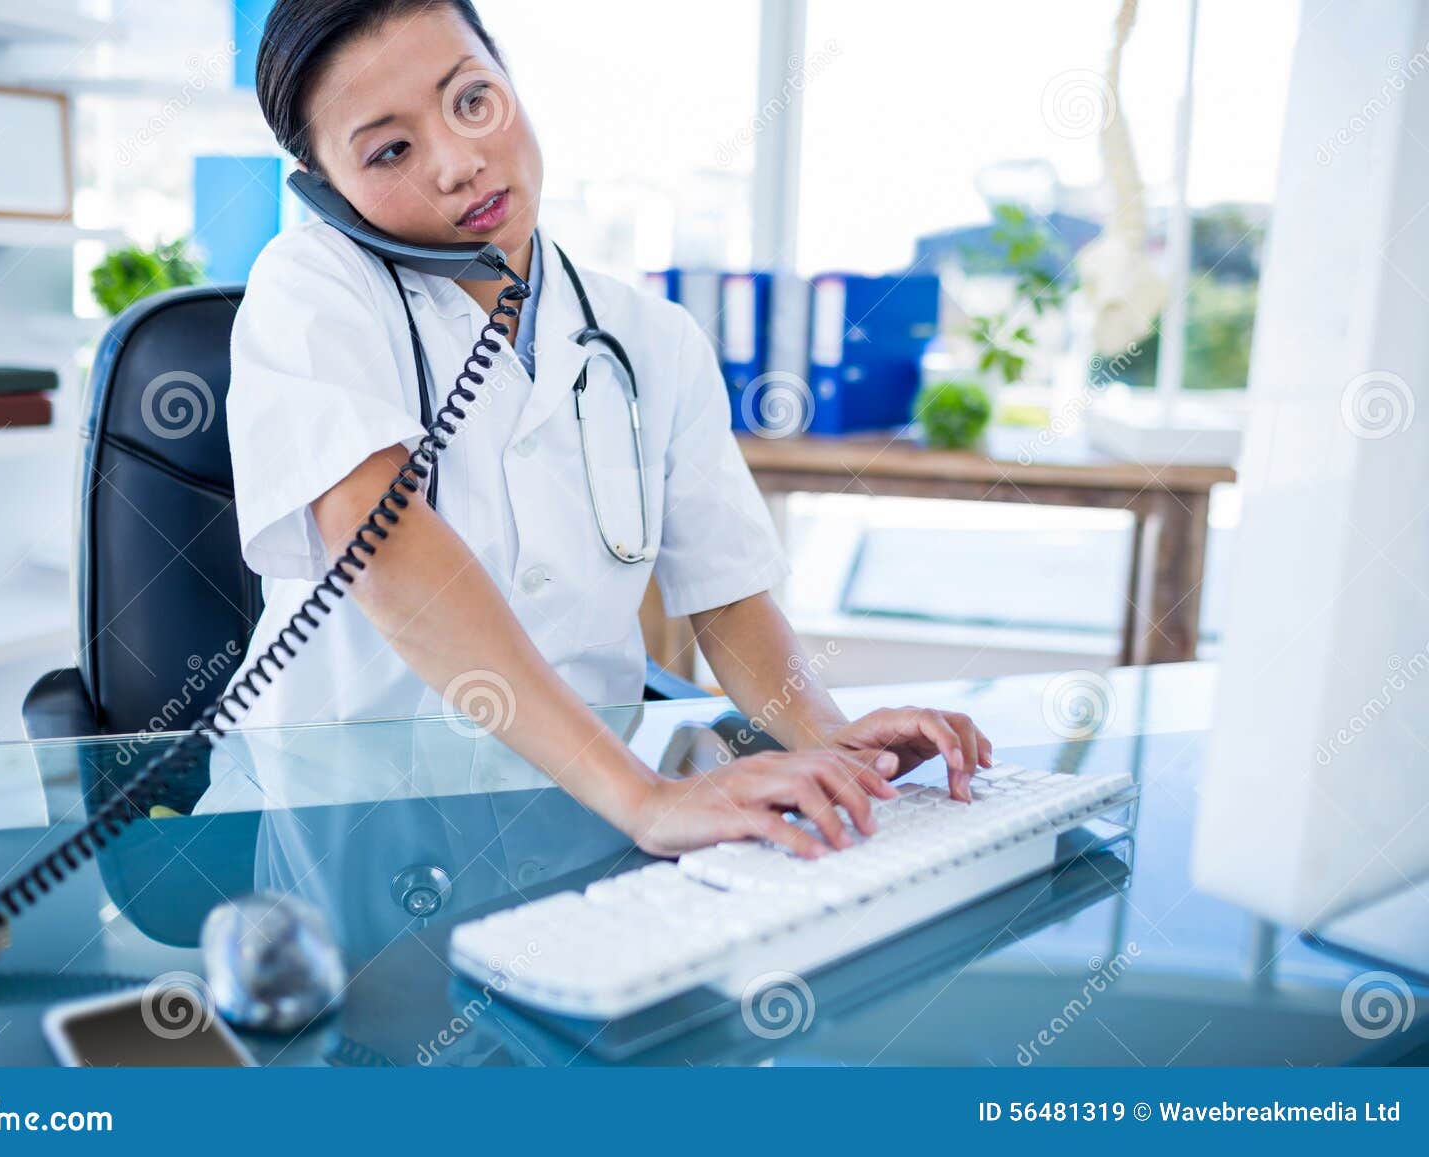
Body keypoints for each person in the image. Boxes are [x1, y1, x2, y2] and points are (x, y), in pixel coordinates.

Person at [225, 0, 992, 859]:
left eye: (471, 99)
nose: (458, 162)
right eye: (390, 150)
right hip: (351, 826)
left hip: (575, 822)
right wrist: (646, 798)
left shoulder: (652, 338)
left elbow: (729, 594)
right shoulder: (311, 290)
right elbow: (384, 539)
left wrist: (832, 742)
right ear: (325, 190)